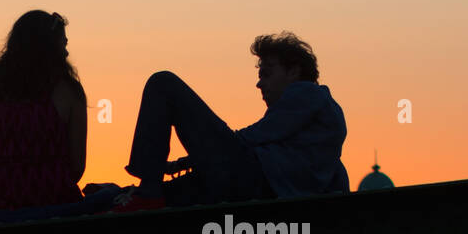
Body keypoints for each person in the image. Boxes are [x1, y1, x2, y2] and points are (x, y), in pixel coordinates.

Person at [112, 31, 349, 213]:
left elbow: (252, 137)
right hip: (247, 188)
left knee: (163, 84)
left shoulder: (308, 93)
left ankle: (147, 189)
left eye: (266, 73)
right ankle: (114, 194)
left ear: (294, 72)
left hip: (247, 178)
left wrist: (198, 155)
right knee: (135, 197)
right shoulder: (319, 143)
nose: (259, 84)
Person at [0, 10, 113, 229]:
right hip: (55, 201)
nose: (67, 52)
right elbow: (76, 168)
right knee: (111, 194)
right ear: (51, 48)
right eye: (63, 44)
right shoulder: (68, 90)